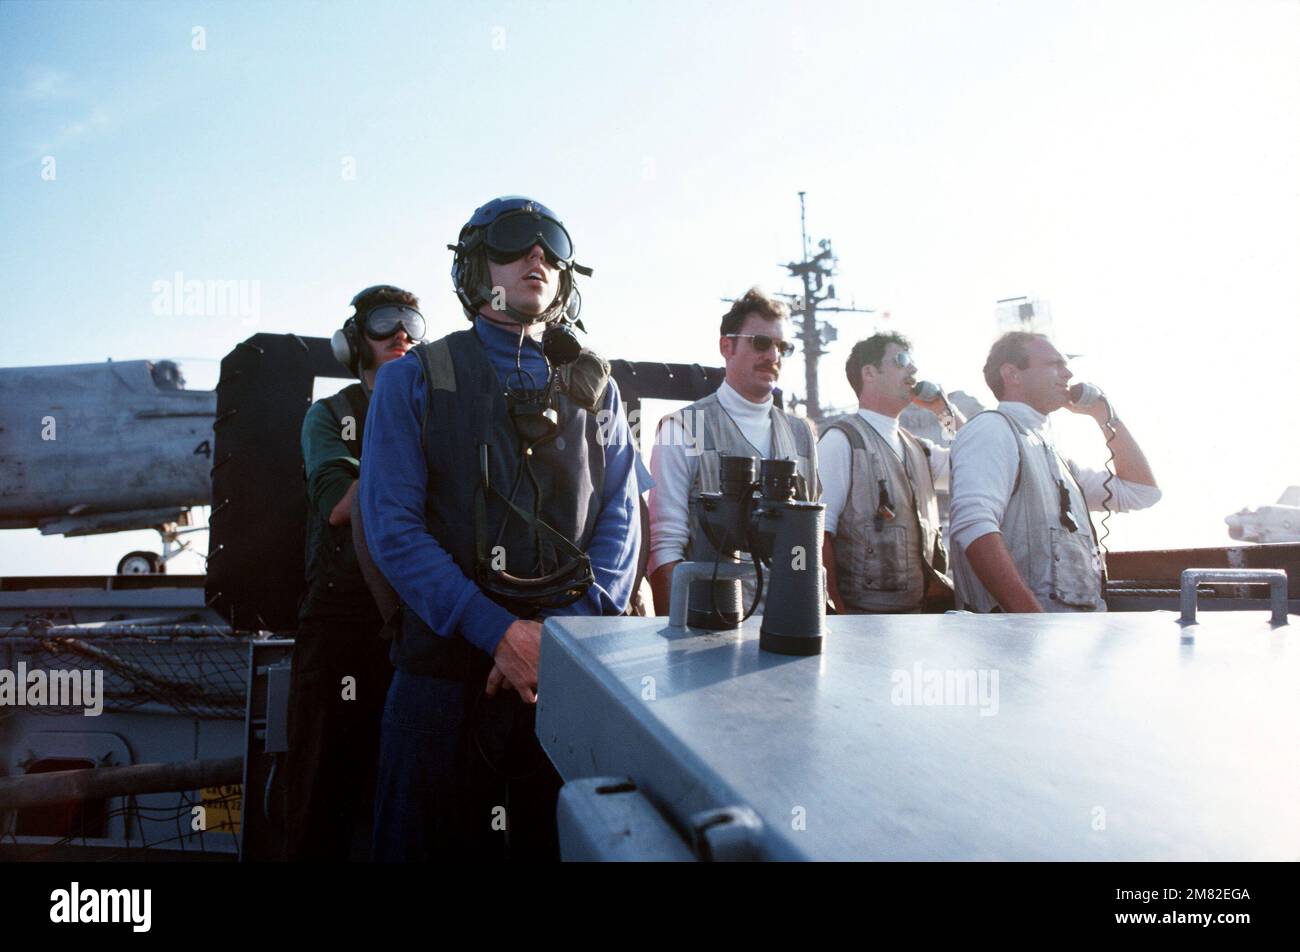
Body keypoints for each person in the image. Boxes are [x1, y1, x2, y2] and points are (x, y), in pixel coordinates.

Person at [358, 196, 640, 861]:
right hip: (441, 691)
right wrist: (497, 634)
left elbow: (621, 517)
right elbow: (392, 527)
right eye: (515, 239)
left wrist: (559, 637)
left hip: (564, 687)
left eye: (552, 242)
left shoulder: (599, 388)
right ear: (476, 268)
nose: (536, 254)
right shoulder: (411, 380)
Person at [285, 284, 423, 860]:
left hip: (418, 622)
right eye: (386, 321)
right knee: (322, 787)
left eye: (412, 322)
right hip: (343, 625)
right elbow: (340, 505)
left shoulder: (434, 410)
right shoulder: (331, 416)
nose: (401, 333)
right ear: (353, 342)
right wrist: (399, 442)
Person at [948, 331, 1160, 612]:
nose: (1068, 373)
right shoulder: (992, 430)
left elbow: (1141, 492)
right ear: (1012, 374)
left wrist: (1105, 416)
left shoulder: (1055, 455)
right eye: (1054, 364)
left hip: (1067, 637)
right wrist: (1033, 620)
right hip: (1025, 642)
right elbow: (974, 525)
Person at [647, 288, 819, 614]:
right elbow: (664, 548)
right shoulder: (680, 429)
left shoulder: (802, 435)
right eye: (761, 342)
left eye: (783, 347)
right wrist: (680, 640)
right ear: (727, 346)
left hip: (789, 629)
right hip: (712, 631)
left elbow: (811, 545)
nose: (773, 356)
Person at [819, 332, 965, 613]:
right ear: (869, 372)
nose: (913, 370)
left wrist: (943, 410)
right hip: (863, 624)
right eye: (902, 360)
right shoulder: (841, 441)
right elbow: (818, 534)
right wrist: (836, 611)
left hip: (918, 622)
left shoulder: (919, 450)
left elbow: (975, 459)